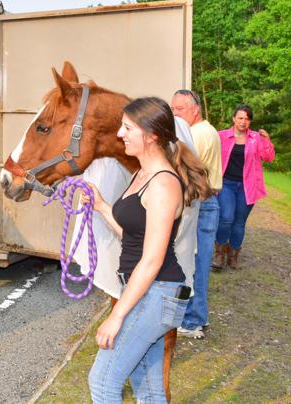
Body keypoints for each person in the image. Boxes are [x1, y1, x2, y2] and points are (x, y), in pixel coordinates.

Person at [86, 97, 211, 403]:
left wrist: (117, 315)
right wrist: (102, 207)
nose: (120, 134)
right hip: (149, 291)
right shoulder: (141, 174)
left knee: (102, 380)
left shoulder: (162, 184)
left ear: (152, 134)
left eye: (128, 127)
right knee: (149, 387)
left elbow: (153, 259)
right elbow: (136, 237)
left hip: (156, 292)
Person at [170, 89, 222, 339]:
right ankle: (193, 316)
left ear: (195, 109)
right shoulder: (203, 130)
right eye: (172, 109)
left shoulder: (198, 134)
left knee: (197, 265)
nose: (174, 114)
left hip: (203, 206)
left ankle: (193, 321)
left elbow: (189, 173)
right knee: (192, 263)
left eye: (179, 109)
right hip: (204, 205)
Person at [214, 104, 275, 270]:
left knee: (239, 222)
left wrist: (266, 140)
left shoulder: (256, 138)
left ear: (250, 121)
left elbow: (268, 157)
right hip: (226, 183)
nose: (243, 121)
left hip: (247, 186)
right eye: (240, 118)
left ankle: (233, 256)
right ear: (234, 119)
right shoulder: (221, 136)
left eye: (247, 119)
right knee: (226, 218)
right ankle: (219, 253)